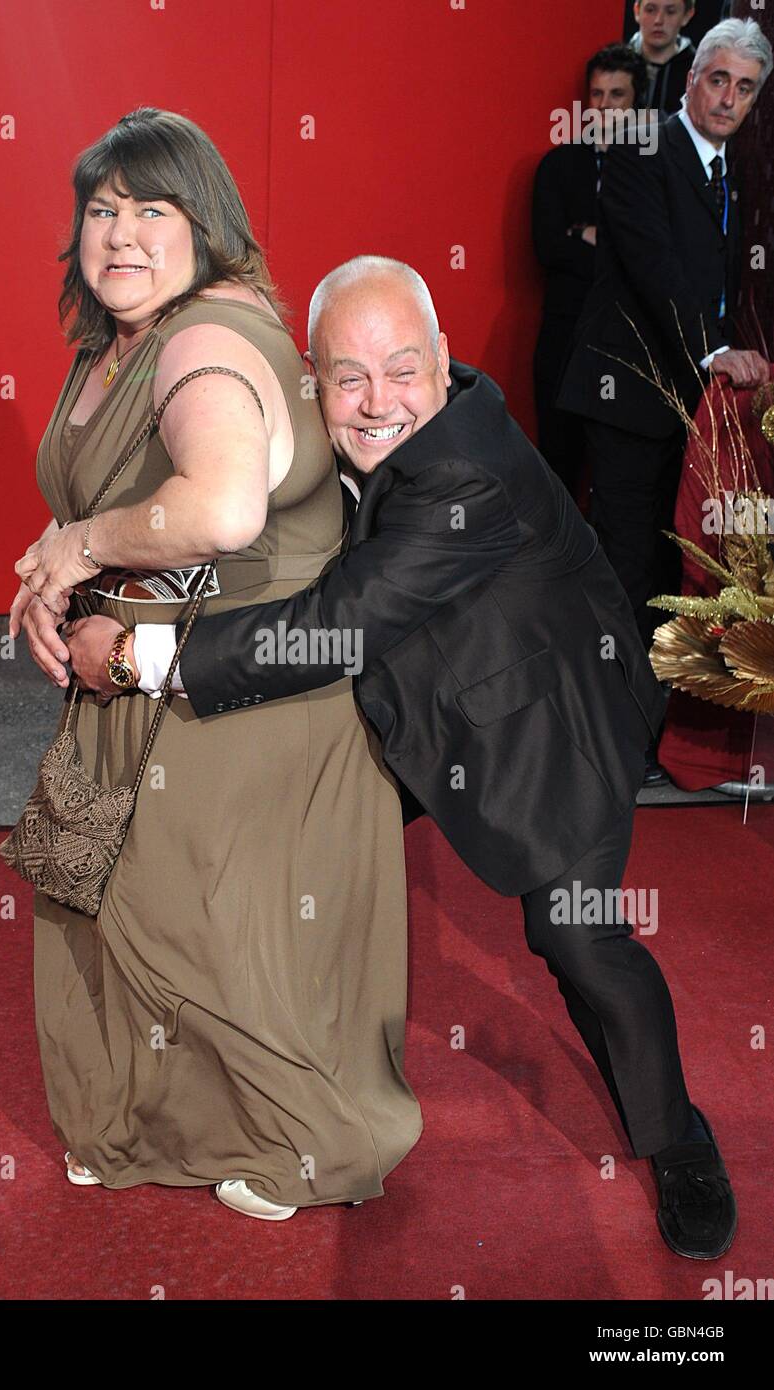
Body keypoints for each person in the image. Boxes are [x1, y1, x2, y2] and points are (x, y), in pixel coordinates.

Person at [132, 255, 739, 1261]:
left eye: (399, 370)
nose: (376, 404)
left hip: (552, 720)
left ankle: (678, 1137)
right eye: (348, 378)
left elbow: (345, 617)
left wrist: (160, 658)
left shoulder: (465, 468)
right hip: (434, 686)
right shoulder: (366, 431)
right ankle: (291, 1089)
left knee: (574, 940)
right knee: (306, 836)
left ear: (444, 361)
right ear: (313, 381)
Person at [8, 108, 422, 1222]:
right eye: (102, 209)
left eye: (155, 209)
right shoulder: (122, 340)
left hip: (234, 694)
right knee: (88, 903)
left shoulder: (203, 339)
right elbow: (118, 501)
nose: (123, 233)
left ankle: (313, 1144)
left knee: (189, 933)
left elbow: (222, 509)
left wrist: (75, 551)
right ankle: (142, 1125)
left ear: (208, 227)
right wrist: (62, 586)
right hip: (138, 670)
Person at [556, 17, 772, 781]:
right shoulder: (643, 144)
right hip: (629, 398)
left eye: (744, 89)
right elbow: (655, 268)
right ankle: (609, 744)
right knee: (627, 571)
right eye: (717, 79)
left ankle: (648, 742)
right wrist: (711, 351)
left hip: (691, 409)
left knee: (673, 573)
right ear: (689, 78)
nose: (728, 98)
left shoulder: (731, 170)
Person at [532, 43, 647, 497]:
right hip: (564, 339)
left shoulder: (654, 166)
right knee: (556, 467)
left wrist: (583, 235)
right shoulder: (558, 164)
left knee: (620, 481)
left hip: (628, 345)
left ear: (637, 101)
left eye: (617, 95)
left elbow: (649, 260)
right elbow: (548, 249)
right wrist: (611, 252)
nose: (604, 106)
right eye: (596, 95)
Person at [628, 0, 697, 115]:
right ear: (637, 11)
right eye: (650, 10)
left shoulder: (697, 71)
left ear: (687, 15)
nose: (658, 20)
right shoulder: (616, 63)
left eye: (670, 12)